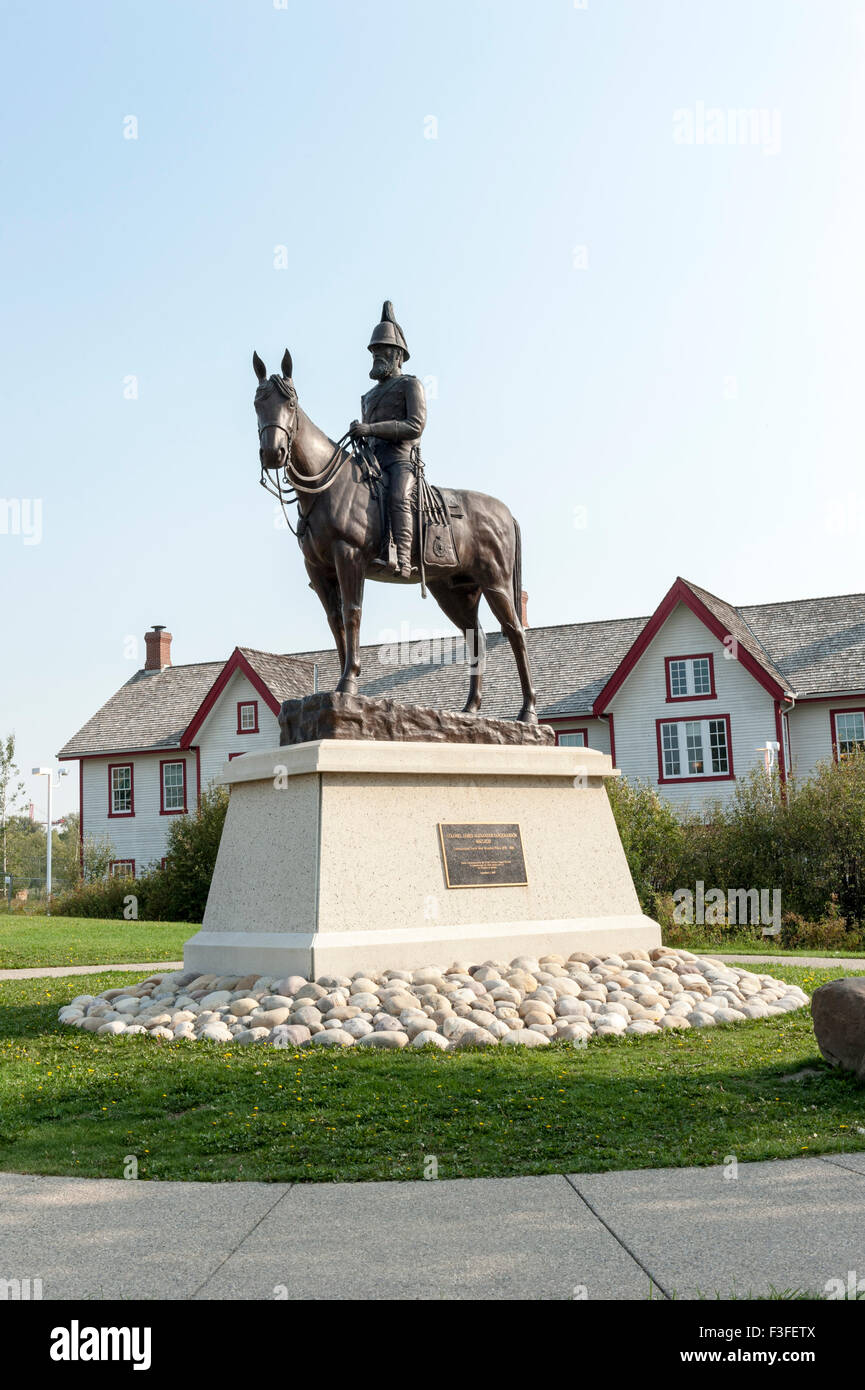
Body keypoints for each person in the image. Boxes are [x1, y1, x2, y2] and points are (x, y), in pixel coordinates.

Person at [349, 301, 426, 577]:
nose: (376, 356)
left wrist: (370, 430)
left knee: (398, 496)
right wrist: (360, 436)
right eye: (374, 351)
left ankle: (403, 557)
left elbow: (415, 425)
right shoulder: (368, 396)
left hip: (400, 461)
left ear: (398, 356)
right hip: (372, 462)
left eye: (382, 351)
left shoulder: (410, 385)